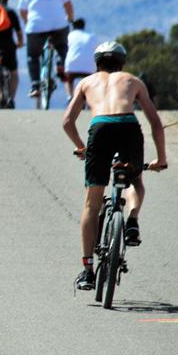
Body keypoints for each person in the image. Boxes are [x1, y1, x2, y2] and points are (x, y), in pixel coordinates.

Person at [63, 42, 167, 291]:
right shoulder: (132, 80)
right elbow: (155, 122)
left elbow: (67, 121)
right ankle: (132, 219)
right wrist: (161, 158)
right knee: (135, 180)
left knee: (92, 203)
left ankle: (88, 270)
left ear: (97, 64)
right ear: (122, 63)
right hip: (128, 127)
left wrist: (82, 147)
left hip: (100, 129)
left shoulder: (87, 82)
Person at [17, 0, 75, 99]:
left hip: (36, 27)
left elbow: (22, 10)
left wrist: (27, 21)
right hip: (58, 26)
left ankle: (35, 85)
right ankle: (61, 62)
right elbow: (68, 6)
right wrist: (70, 19)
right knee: (62, 47)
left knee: (33, 56)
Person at [64, 18, 98, 101]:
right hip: (89, 67)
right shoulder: (92, 36)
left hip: (72, 65)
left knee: (68, 79)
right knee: (90, 81)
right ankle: (89, 97)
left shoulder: (69, 35)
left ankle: (70, 96)